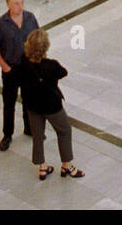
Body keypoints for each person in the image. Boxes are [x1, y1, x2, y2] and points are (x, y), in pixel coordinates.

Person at [18, 29, 83, 180]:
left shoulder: (23, 61)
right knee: (64, 130)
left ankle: (42, 167)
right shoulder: (51, 65)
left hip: (32, 105)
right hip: (51, 106)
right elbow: (63, 72)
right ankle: (67, 165)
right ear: (45, 47)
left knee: (38, 135)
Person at [0, 0, 39, 151]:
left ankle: (29, 128)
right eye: (16, 3)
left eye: (22, 2)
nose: (20, 6)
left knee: (29, 99)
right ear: (9, 5)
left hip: (28, 67)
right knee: (9, 103)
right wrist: (5, 67)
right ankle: (7, 134)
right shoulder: (1, 24)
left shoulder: (30, 18)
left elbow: (38, 39)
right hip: (11, 69)